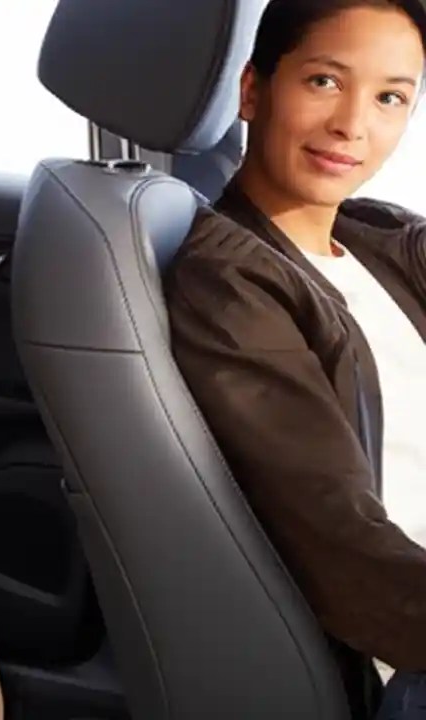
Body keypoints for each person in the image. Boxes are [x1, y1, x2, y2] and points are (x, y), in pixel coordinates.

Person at [163, 0, 426, 717]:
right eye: (324, 81)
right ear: (253, 90)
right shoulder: (231, 281)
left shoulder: (380, 240)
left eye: (390, 97)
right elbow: (338, 543)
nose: (353, 124)